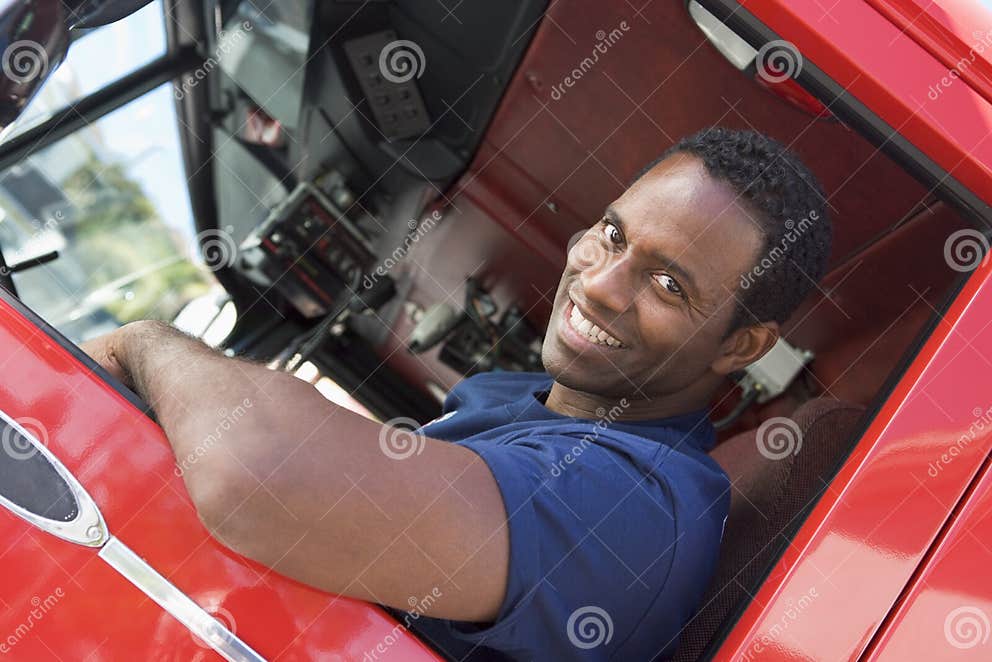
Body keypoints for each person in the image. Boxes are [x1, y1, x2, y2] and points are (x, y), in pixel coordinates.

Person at [82, 127, 831, 661]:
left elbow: (259, 474)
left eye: (669, 284)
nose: (601, 285)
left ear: (741, 346)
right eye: (612, 233)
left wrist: (143, 340)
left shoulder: (635, 508)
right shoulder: (532, 402)